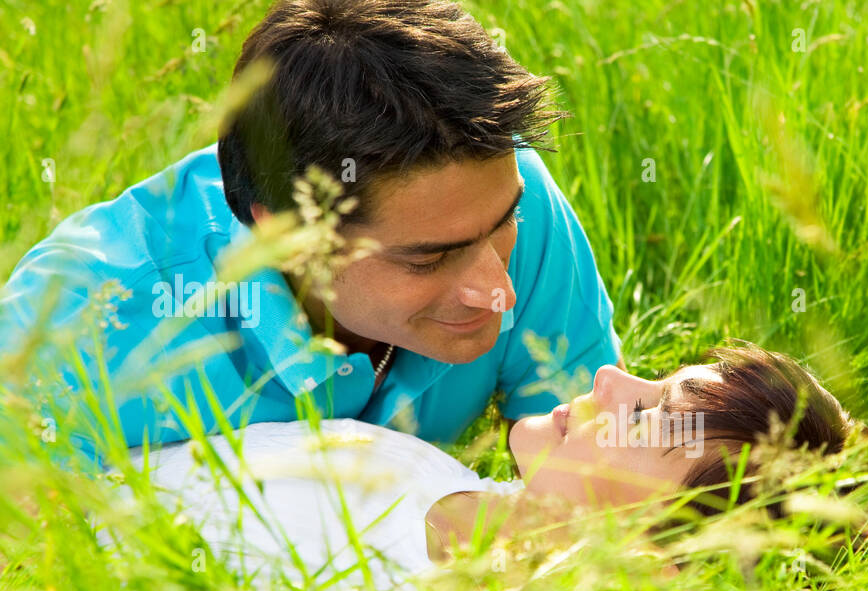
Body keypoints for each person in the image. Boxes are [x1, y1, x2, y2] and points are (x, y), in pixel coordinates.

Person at [0, 0, 621, 465]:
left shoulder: (504, 196)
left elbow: (596, 473)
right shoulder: (74, 328)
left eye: (502, 225)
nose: (497, 290)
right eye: (429, 260)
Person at [121, 346, 868, 591]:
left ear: (658, 562)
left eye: (648, 418)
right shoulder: (423, 469)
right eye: (654, 379)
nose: (607, 380)